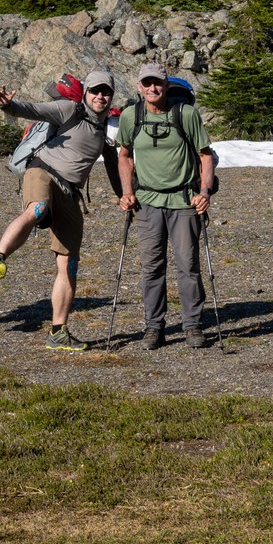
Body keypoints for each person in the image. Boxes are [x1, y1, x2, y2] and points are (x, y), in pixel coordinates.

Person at [0, 68, 123, 351]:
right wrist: (8, 105)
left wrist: (125, 196)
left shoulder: (105, 127)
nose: (100, 96)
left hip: (70, 192)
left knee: (68, 264)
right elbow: (33, 109)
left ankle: (58, 332)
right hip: (43, 171)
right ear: (85, 93)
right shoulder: (69, 109)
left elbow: (112, 166)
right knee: (38, 209)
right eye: (95, 90)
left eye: (105, 92)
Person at [115, 63, 219, 350]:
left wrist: (205, 192)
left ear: (166, 84)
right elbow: (124, 155)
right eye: (146, 83)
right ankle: (154, 327)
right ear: (139, 86)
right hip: (147, 202)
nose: (152, 88)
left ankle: (193, 326)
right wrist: (126, 192)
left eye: (157, 83)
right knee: (151, 268)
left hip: (184, 201)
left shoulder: (186, 114)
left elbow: (205, 156)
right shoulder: (130, 117)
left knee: (188, 266)